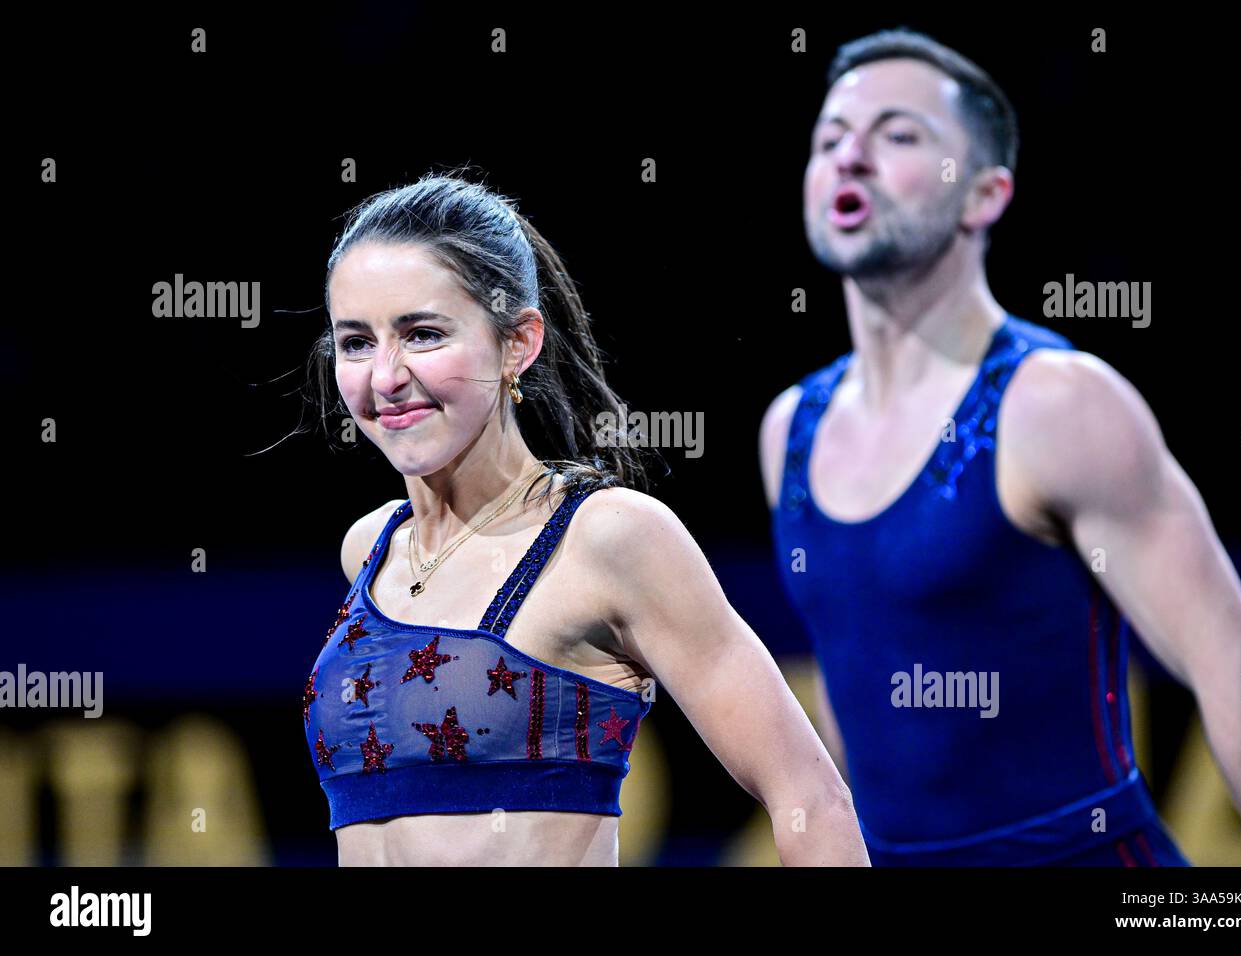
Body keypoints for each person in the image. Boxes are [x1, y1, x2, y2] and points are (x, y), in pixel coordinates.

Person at [761, 29, 1241, 866]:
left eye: (898, 135)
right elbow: (849, 696)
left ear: (983, 193)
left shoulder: (1059, 404)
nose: (851, 157)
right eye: (830, 139)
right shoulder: (788, 429)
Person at [301, 172, 867, 866]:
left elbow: (809, 796)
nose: (384, 376)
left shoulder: (607, 538)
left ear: (518, 344)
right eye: (356, 342)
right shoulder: (370, 549)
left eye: (422, 334)